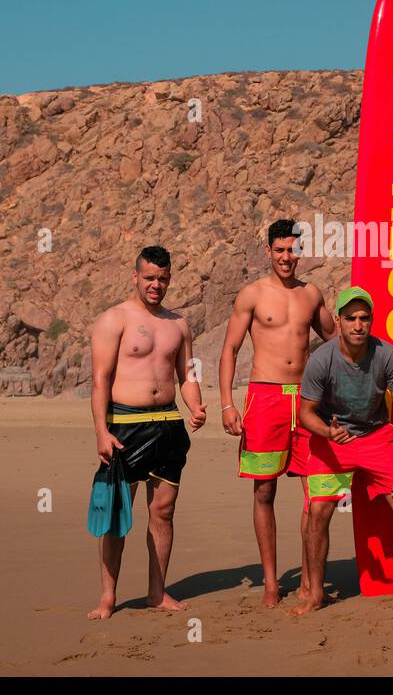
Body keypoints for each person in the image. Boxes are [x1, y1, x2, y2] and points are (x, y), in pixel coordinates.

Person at [218, 219, 336, 607]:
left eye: (293, 250)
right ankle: (271, 581)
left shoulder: (312, 294)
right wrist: (227, 403)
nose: (287, 257)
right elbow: (230, 351)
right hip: (264, 398)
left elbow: (337, 339)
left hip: (306, 399)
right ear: (268, 251)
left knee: (312, 493)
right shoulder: (252, 295)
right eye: (280, 250)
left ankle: (308, 578)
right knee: (264, 489)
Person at [86, 245, 206, 619]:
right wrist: (101, 431)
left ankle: (157, 592)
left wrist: (196, 405)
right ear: (135, 276)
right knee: (118, 513)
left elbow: (186, 375)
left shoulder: (178, 324)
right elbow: (99, 380)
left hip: (168, 425)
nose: (157, 285)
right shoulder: (114, 319)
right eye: (150, 278)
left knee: (163, 511)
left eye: (163, 278)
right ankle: (108, 598)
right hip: (125, 425)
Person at [290, 287, 393, 614]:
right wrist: (327, 432)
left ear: (372, 321)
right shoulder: (322, 359)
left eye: (364, 318)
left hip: (376, 436)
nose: (358, 324)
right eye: (350, 317)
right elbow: (304, 413)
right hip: (332, 437)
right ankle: (315, 594)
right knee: (318, 510)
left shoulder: (387, 355)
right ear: (338, 320)